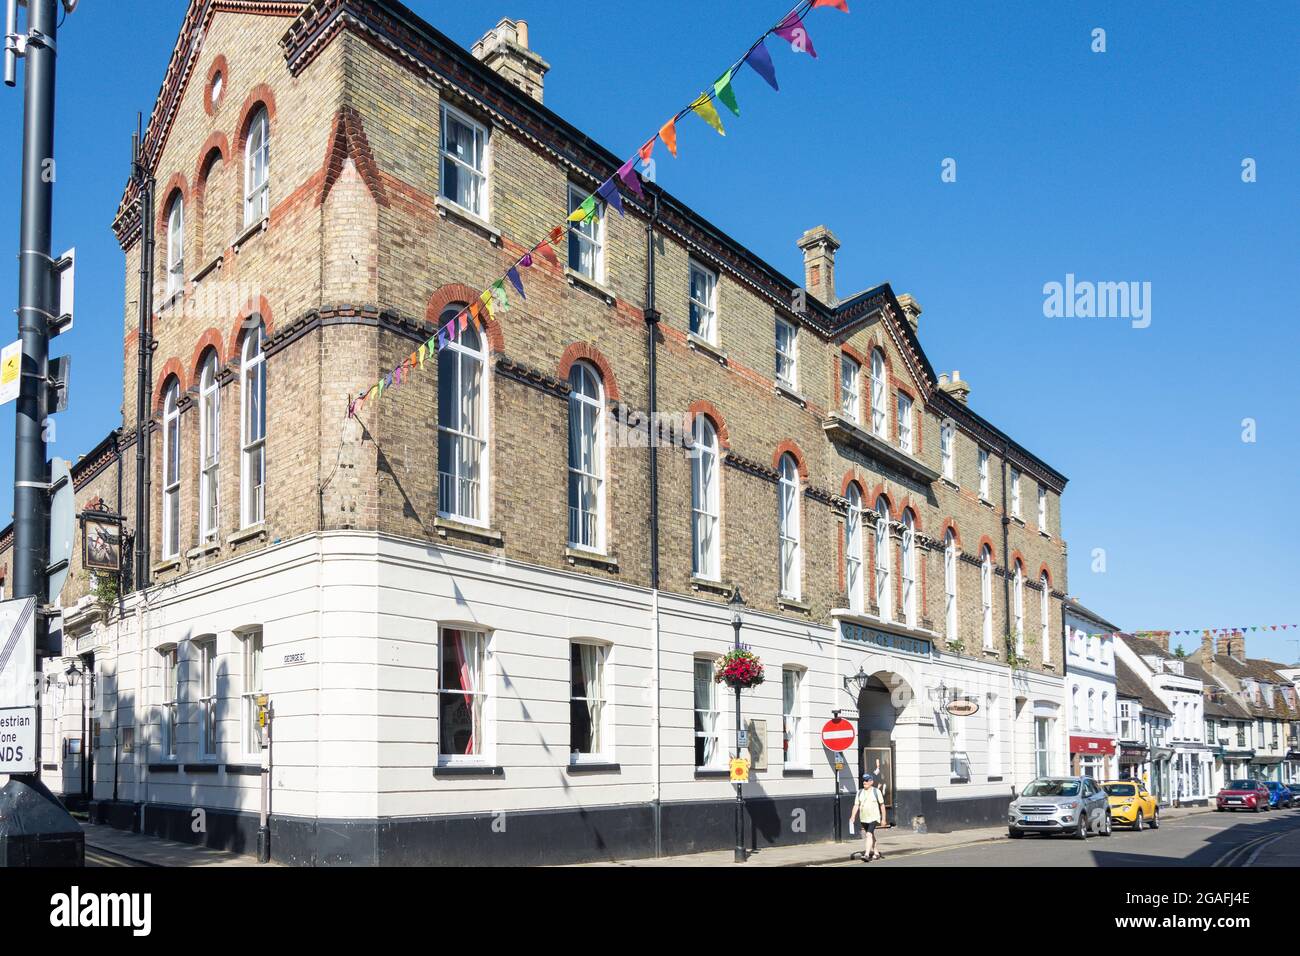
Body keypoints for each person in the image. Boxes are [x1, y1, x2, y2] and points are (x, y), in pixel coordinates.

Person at [849, 772, 887, 862]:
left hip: (874, 817)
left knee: (868, 834)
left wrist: (883, 819)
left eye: (866, 780)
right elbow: (856, 805)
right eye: (863, 780)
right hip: (864, 818)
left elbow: (882, 805)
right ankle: (876, 853)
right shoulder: (859, 792)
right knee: (871, 835)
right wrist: (852, 816)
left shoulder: (876, 791)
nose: (864, 782)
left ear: (871, 782)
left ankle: (866, 854)